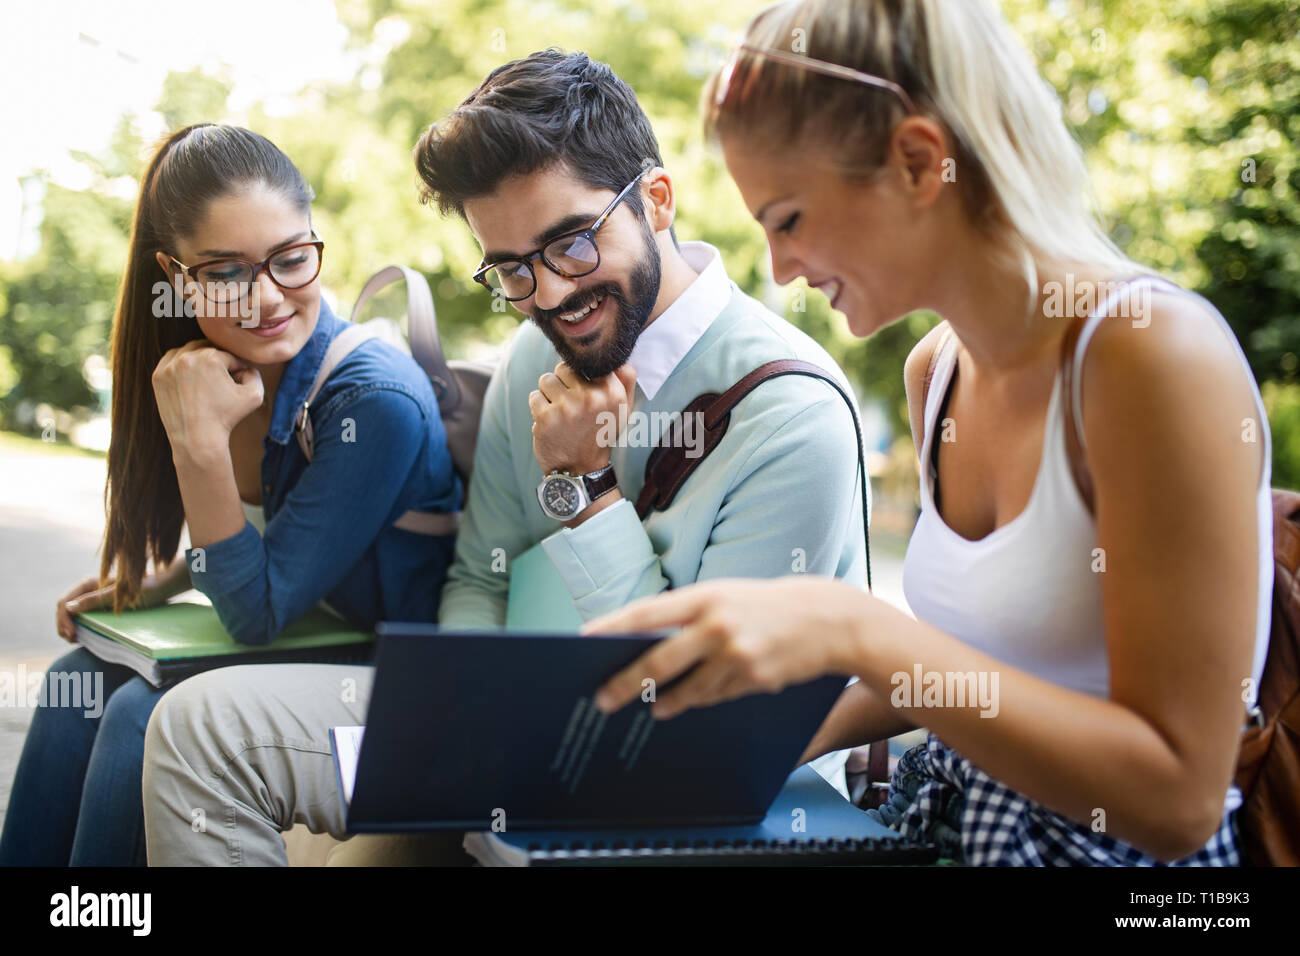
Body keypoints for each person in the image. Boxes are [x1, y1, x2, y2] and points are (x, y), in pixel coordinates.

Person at [587, 0, 1272, 866]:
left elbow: (1178, 798)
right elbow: (968, 671)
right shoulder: (936, 371)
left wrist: (853, 628)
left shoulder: (1151, 360)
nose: (779, 268)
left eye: (788, 218)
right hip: (943, 825)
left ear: (918, 162)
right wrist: (744, 752)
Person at [140, 50, 868, 865]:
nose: (552, 293)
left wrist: (583, 486)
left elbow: (699, 721)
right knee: (198, 726)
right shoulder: (536, 352)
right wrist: (464, 713)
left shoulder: (792, 414)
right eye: (513, 268)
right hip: (511, 730)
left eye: (572, 244)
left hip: (692, 790)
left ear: (656, 202)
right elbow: (479, 578)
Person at [0, 124, 461, 866]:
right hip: (319, 639)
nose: (267, 297)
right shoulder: (216, 365)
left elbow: (257, 613)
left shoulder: (373, 400)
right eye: (225, 272)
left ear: (314, 241)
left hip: (396, 682)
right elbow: (277, 539)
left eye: (290, 258)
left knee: (139, 713)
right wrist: (169, 577)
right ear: (175, 276)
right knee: (75, 681)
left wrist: (200, 446)